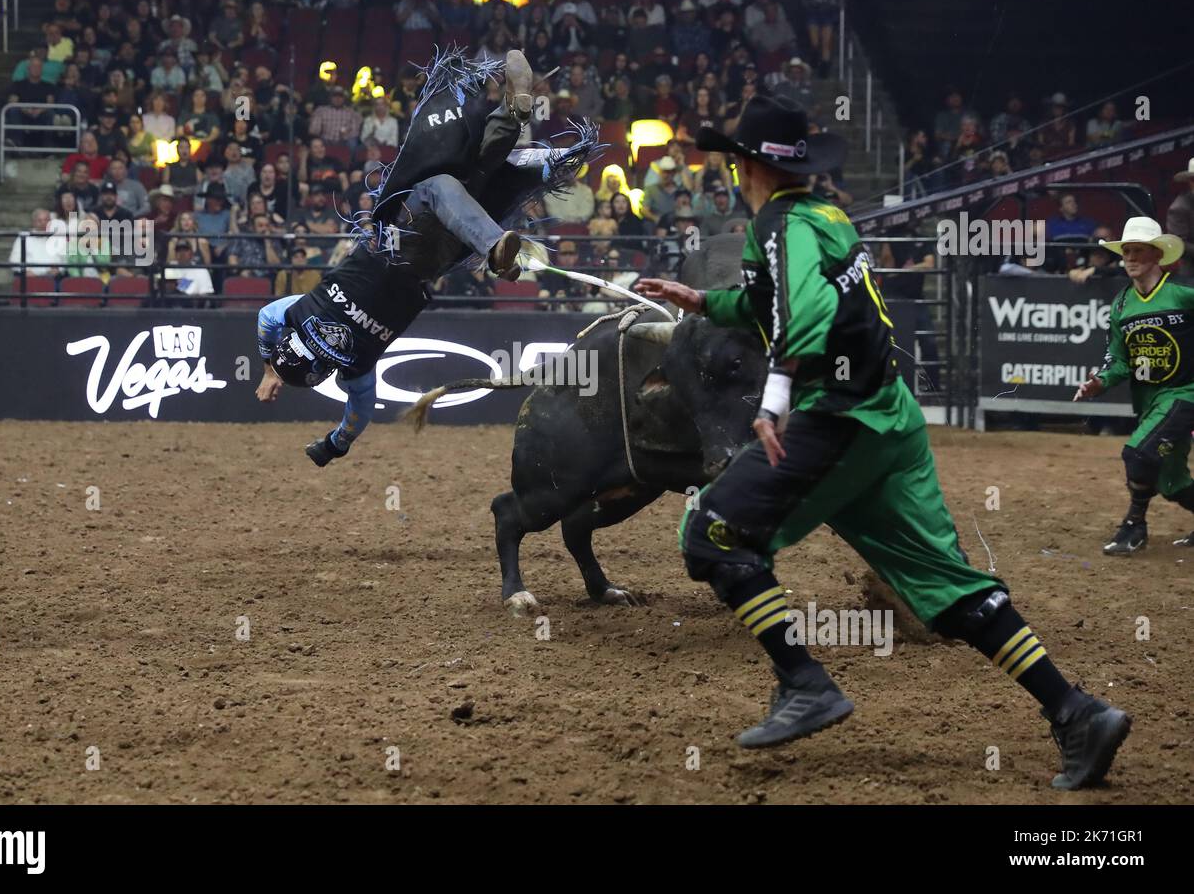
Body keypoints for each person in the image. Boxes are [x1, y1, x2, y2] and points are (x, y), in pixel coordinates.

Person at [634, 95, 1131, 790]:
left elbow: (801, 311)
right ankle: (1078, 712)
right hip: (889, 416)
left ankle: (805, 682)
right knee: (944, 586)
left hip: (837, 419)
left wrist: (774, 397)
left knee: (712, 530)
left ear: (745, 166)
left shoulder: (777, 223)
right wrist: (702, 301)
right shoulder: (825, 216)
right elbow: (777, 301)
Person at [256, 48, 598, 465]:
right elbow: (267, 320)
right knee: (445, 182)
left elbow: (359, 414)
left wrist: (334, 444)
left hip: (435, 261)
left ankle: (510, 120)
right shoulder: (301, 312)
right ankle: (497, 224)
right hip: (404, 234)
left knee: (478, 173)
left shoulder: (356, 367)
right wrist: (268, 366)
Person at [1074, 217, 1193, 553]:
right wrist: (1100, 382)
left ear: (1157, 254)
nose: (1131, 258)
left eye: (1139, 251)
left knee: (1138, 454)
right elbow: (1119, 358)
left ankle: (1134, 527)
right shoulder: (1121, 306)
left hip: (1185, 394)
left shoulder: (1183, 293)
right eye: (1126, 252)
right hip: (1151, 401)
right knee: (1172, 482)